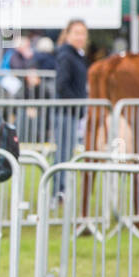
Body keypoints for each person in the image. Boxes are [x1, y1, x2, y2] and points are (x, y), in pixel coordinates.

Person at [54, 19, 89, 173]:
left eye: (83, 34)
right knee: (63, 155)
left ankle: (61, 190)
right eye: (76, 33)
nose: (80, 37)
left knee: (66, 154)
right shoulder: (67, 55)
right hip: (65, 112)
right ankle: (58, 192)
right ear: (67, 35)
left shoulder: (76, 55)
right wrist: (76, 104)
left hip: (71, 113)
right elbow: (61, 85)